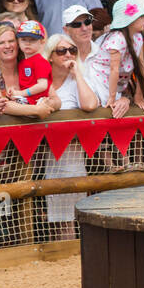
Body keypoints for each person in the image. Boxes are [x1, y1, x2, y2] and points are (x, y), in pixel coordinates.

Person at [39, 32, 100, 238]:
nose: (68, 55)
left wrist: (78, 74)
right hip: (39, 157)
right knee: (49, 221)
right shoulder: (41, 81)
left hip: (70, 158)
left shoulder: (77, 81)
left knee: (68, 220)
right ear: (50, 56)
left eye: (72, 50)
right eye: (62, 51)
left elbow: (90, 105)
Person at [84, 0, 144, 118]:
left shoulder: (138, 37)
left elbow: (142, 68)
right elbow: (114, 70)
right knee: (105, 110)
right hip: (98, 81)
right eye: (141, 17)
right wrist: (111, 98)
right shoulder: (117, 38)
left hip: (115, 85)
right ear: (130, 20)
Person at [0, 24, 54, 121]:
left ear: (18, 44)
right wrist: (36, 109)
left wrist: (45, 104)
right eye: (1, 43)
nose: (7, 46)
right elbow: (1, 105)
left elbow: (56, 100)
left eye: (11, 41)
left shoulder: (31, 66)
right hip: (3, 131)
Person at [13, 21, 52, 103]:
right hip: (27, 99)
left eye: (32, 40)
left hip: (39, 101)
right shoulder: (22, 62)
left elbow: (42, 85)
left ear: (42, 42)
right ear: (18, 41)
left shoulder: (40, 61)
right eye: (23, 39)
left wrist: (21, 93)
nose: (27, 43)